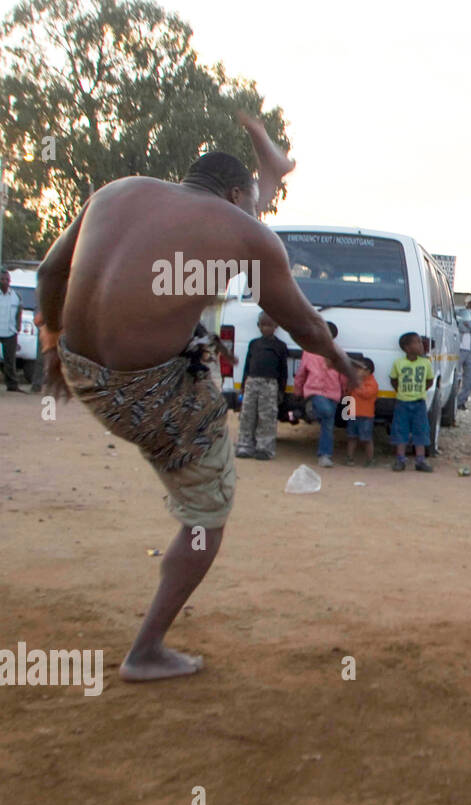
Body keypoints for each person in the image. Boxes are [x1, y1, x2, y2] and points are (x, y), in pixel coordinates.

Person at [35, 111, 358, 681]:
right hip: (151, 390)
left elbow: (48, 272)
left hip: (84, 371)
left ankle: (271, 161)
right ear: (237, 193)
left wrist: (54, 348)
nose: (259, 213)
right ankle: (147, 651)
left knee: (197, 338)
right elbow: (306, 326)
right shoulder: (246, 232)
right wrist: (340, 362)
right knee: (208, 511)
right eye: (256, 199)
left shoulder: (115, 192)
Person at [236, 311, 288, 460]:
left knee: (267, 417)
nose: (266, 328)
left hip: (270, 384)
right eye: (263, 325)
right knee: (247, 415)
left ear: (276, 326)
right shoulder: (254, 344)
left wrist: (281, 390)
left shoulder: (280, 346)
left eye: (269, 325)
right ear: (258, 326)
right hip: (251, 382)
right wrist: (243, 385)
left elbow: (283, 371)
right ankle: (244, 445)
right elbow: (246, 365)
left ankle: (265, 448)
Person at [294, 321, 347, 468]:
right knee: (326, 412)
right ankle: (311, 410)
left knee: (328, 424)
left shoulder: (338, 353)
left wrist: (344, 390)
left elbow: (343, 375)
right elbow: (301, 373)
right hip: (315, 391)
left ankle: (325, 455)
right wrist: (298, 390)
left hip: (333, 393)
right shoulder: (309, 352)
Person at [390, 331, 435, 472]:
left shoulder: (426, 363)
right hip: (402, 403)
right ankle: (400, 459)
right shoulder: (399, 363)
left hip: (419, 403)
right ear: (407, 348)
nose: (421, 345)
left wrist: (419, 391)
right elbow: (394, 380)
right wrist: (403, 392)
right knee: (400, 430)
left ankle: (420, 460)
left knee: (421, 430)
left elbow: (429, 381)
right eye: (418, 342)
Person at [345, 357, 379, 467]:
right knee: (351, 437)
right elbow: (347, 393)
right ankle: (349, 458)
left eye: (359, 369)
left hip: (366, 415)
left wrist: (358, 383)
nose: (357, 371)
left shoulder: (372, 383)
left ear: (368, 371)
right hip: (352, 412)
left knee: (366, 439)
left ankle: (370, 460)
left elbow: (366, 394)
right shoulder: (354, 381)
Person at [0, 269, 25, 392]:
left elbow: (19, 312)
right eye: (2, 279)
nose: (5, 282)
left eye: (7, 279)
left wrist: (18, 326)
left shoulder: (16, 296)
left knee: (10, 360)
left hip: (10, 332)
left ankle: (12, 385)